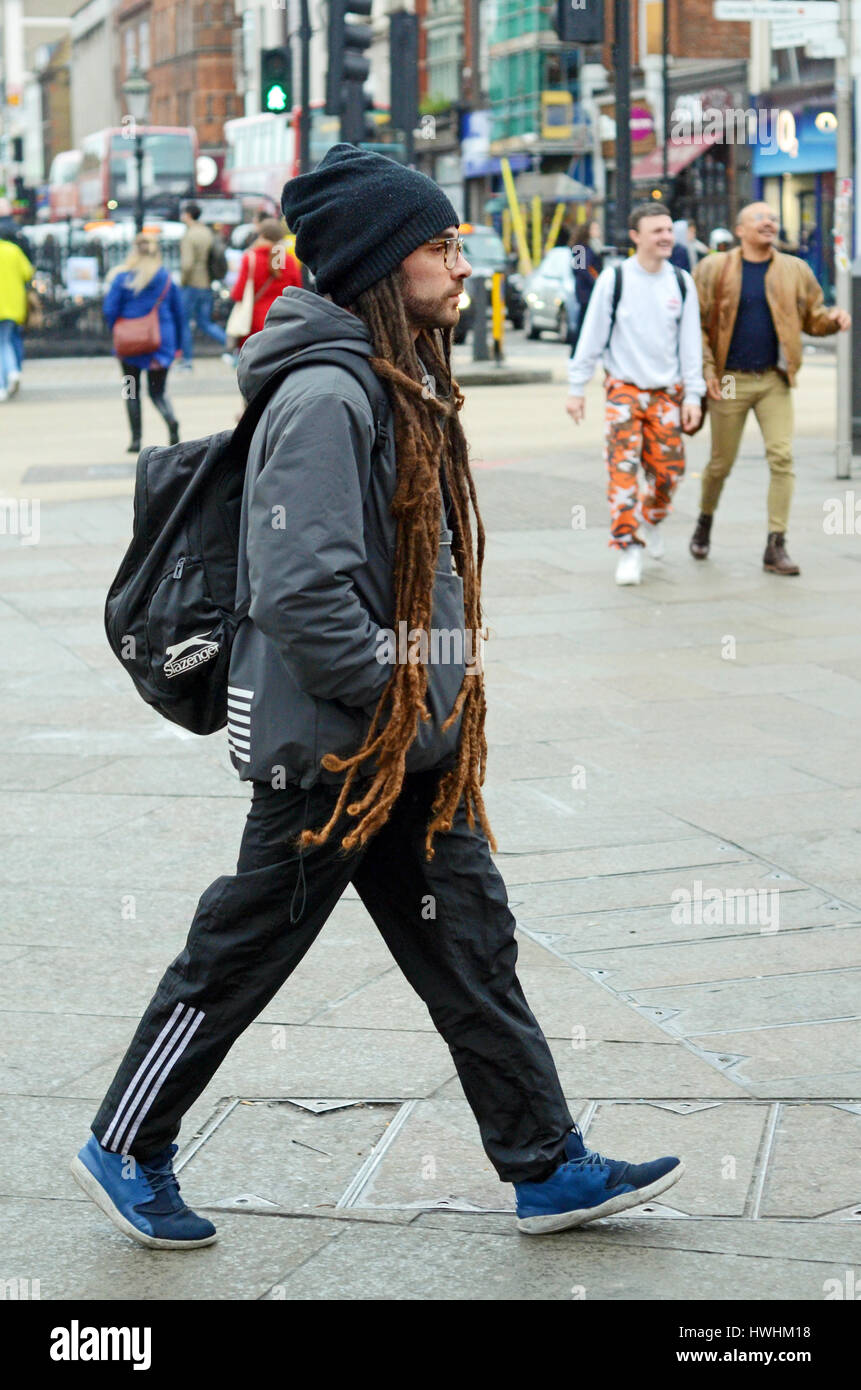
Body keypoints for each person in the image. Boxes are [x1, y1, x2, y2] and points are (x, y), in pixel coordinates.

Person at [71, 144, 684, 1249]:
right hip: (338, 750)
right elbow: (303, 590)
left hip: (401, 746)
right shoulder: (323, 393)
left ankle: (546, 1164)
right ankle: (126, 1136)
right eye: (441, 245)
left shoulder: (389, 376)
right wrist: (399, 701)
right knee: (245, 945)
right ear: (378, 261)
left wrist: (423, 716)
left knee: (470, 940)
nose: (462, 265)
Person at [690, 201, 851, 575]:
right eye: (759, 218)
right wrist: (708, 370)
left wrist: (832, 319)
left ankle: (775, 545)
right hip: (729, 378)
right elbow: (694, 324)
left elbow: (813, 317)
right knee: (720, 463)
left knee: (782, 457)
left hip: (774, 378)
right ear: (740, 229)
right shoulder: (714, 268)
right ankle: (705, 519)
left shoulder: (795, 269)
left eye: (774, 218)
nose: (769, 223)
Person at [566, 202, 705, 586]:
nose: (665, 237)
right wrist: (576, 388)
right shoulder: (615, 280)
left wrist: (693, 396)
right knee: (623, 472)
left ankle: (652, 517)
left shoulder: (681, 281)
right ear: (635, 236)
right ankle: (628, 546)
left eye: (668, 230)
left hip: (667, 394)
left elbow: (691, 345)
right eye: (656, 231)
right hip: (624, 390)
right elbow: (590, 335)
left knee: (669, 473)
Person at [102, 232, 183, 451]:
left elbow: (109, 309)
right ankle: (171, 420)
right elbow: (179, 313)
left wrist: (117, 330)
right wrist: (179, 346)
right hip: (160, 342)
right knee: (158, 392)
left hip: (130, 345)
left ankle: (136, 440)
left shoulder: (122, 278)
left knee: (130, 391)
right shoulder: (165, 278)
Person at [228, 216, 302, 350]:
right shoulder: (287, 260)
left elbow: (238, 294)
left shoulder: (251, 258)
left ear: (261, 235)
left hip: (254, 325)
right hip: (282, 322)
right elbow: (297, 290)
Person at [178, 202, 227, 367]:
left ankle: (187, 360)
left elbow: (187, 264)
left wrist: (183, 281)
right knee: (205, 322)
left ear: (188, 215)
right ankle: (232, 346)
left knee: (184, 322)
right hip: (206, 281)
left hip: (192, 283)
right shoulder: (207, 232)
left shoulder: (189, 235)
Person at [0, 227, 34, 402]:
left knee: (2, 343)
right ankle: (13, 371)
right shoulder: (14, 251)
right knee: (6, 341)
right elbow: (28, 273)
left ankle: (2, 386)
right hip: (13, 305)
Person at [566, 218, 603, 358]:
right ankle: (576, 351)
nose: (598, 232)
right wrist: (595, 281)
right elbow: (580, 269)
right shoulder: (579, 247)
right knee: (583, 322)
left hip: (591, 289)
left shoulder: (594, 246)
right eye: (595, 229)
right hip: (585, 291)